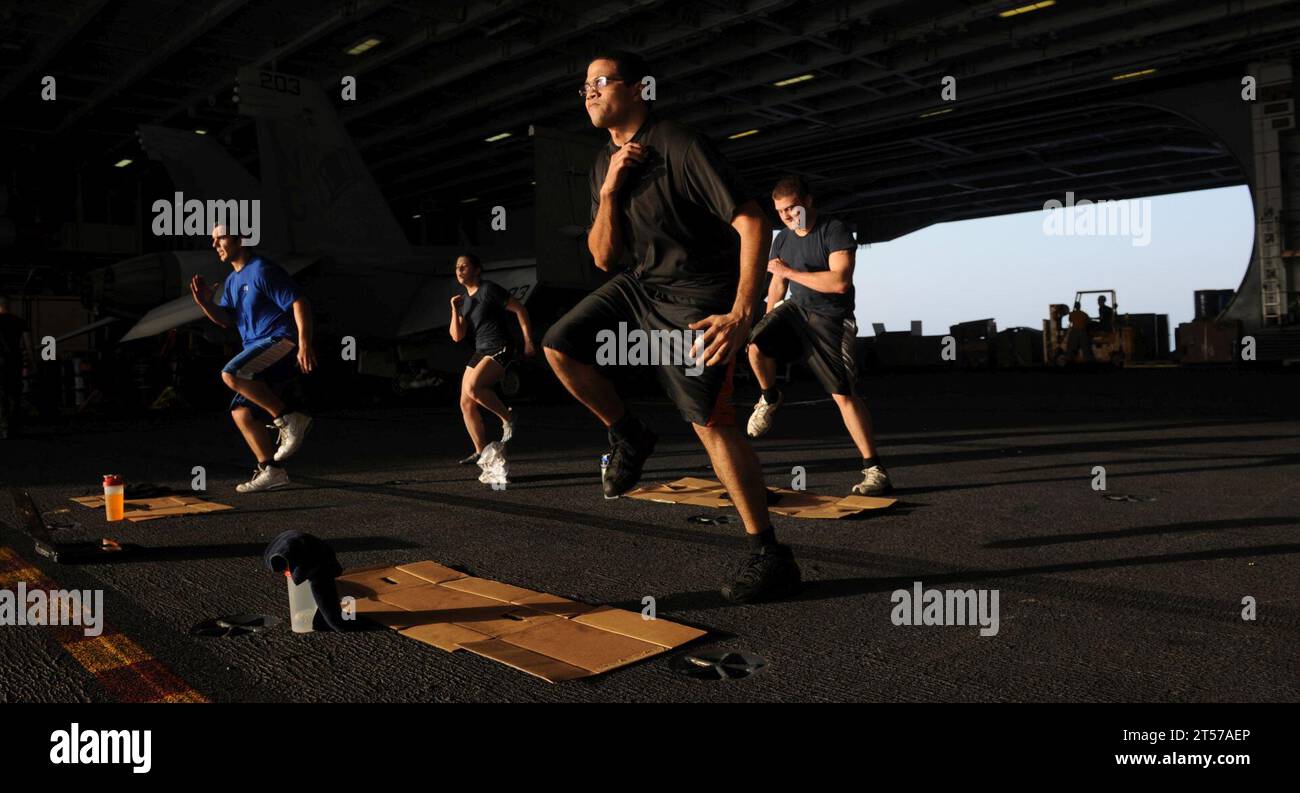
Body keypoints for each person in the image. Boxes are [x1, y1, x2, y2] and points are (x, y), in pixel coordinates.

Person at [542, 50, 801, 603]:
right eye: (584, 86)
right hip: (638, 284)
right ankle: (630, 433)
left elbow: (751, 221)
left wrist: (741, 313)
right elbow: (604, 258)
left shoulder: (680, 144)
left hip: (696, 295)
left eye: (601, 82)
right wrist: (610, 190)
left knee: (710, 421)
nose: (589, 92)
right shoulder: (600, 163)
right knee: (558, 345)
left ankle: (770, 554)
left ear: (639, 89)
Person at [746, 175, 892, 496]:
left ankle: (874, 469)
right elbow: (776, 287)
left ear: (808, 201)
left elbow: (839, 282)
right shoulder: (782, 239)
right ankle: (769, 397)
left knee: (843, 394)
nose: (786, 216)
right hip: (796, 311)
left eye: (791, 209)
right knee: (755, 345)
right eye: (780, 212)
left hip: (832, 319)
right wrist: (769, 319)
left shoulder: (834, 230)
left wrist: (788, 272)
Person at [190, 224, 316, 492]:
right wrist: (205, 304)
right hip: (257, 349)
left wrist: (305, 343)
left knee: (231, 374)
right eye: (213, 240)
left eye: (221, 238)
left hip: (280, 340)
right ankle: (272, 471)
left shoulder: (262, 269)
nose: (215, 245)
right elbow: (227, 320)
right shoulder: (233, 281)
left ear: (242, 239)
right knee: (241, 412)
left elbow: (298, 301)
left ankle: (288, 418)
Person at [449, 253, 536, 466]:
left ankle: (508, 417)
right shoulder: (465, 301)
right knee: (465, 403)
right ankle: (481, 451)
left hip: (501, 346)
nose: (459, 270)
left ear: (477, 269)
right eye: (457, 267)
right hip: (481, 350)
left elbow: (520, 309)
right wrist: (455, 309)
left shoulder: (489, 290)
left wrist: (528, 341)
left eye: (464, 266)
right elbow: (457, 336)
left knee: (474, 388)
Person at [0, 295, 35, 439]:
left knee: (1, 394)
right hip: (14, 360)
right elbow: (28, 345)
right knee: (14, 394)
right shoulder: (19, 321)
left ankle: (3, 427)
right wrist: (32, 363)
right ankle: (14, 427)